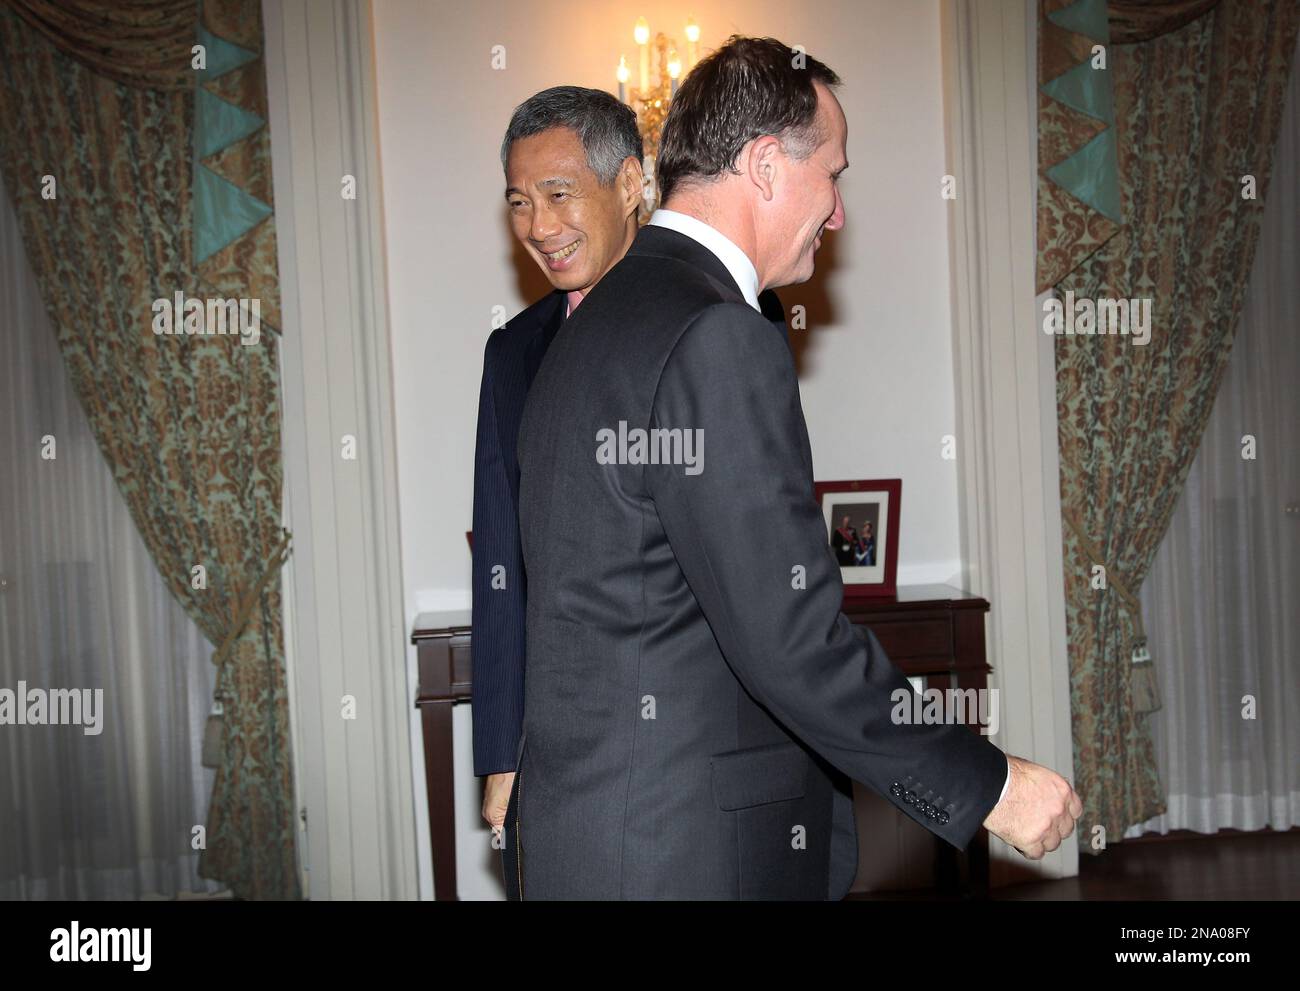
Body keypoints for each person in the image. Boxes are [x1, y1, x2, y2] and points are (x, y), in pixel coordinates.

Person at [514, 35, 1081, 900]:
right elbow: (790, 641)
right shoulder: (715, 333)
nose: (840, 212)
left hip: (593, 837)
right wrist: (990, 783)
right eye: (836, 175)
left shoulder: (590, 323)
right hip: (687, 854)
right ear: (767, 165)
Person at [472, 84, 789, 899]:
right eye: (518, 201)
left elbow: (753, 542)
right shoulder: (514, 353)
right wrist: (503, 748)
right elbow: (501, 562)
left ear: (631, 185)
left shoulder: (724, 314)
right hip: (563, 748)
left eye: (558, 194)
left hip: (693, 753)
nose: (539, 225)